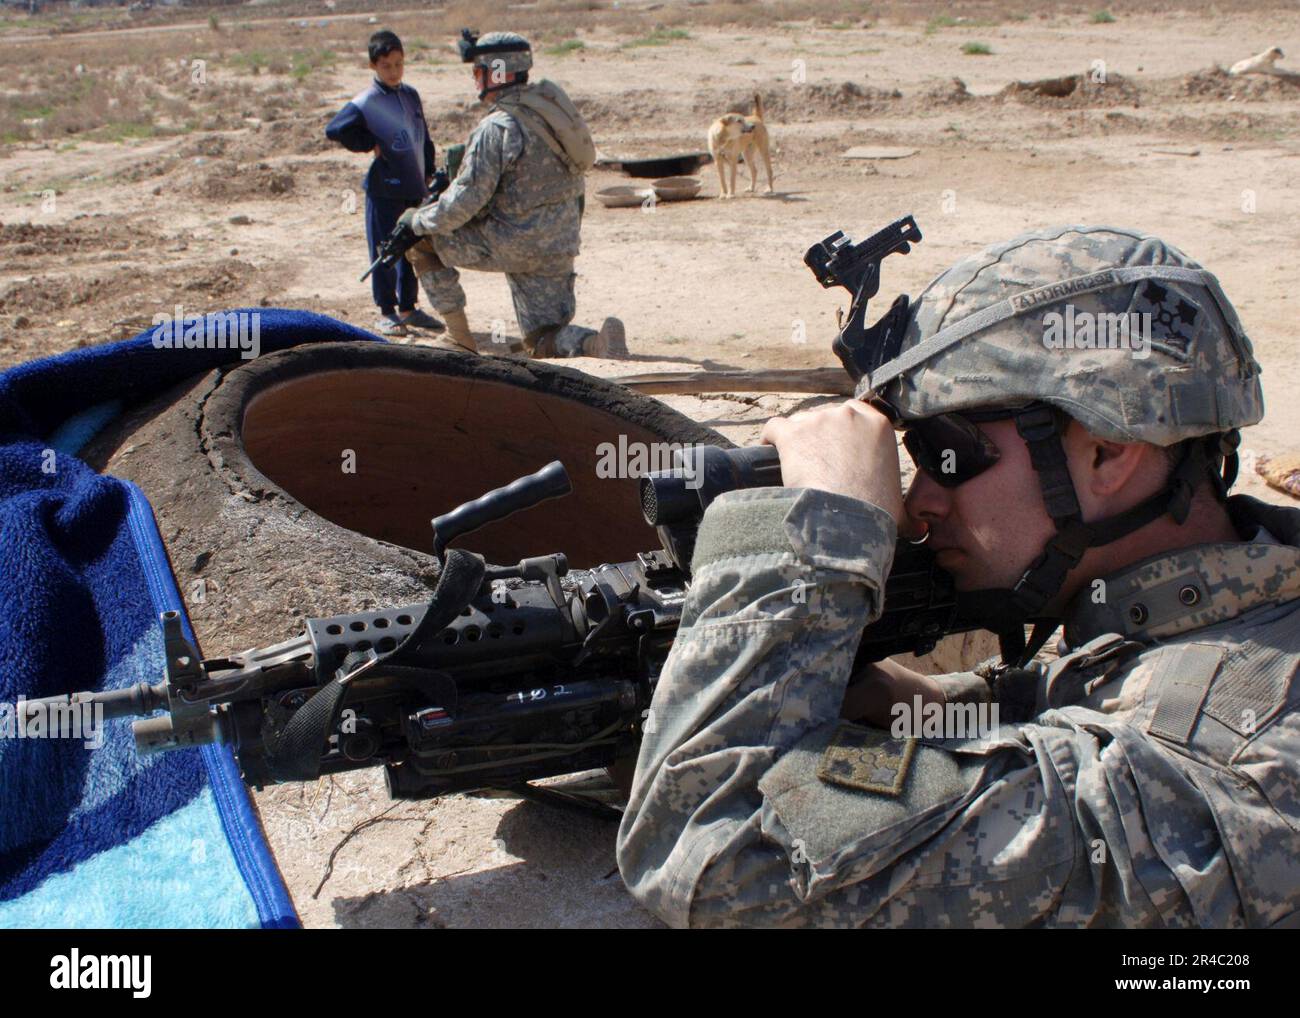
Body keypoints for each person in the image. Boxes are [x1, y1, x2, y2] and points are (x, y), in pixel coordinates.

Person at [616, 224, 1300, 928]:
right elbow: (1108, 698)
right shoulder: (1240, 618)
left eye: (948, 452)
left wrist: (817, 539)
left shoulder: (1215, 772)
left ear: (1106, 454)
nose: (920, 503)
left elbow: (708, 854)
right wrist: (931, 703)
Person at [397, 30, 625, 358]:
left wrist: (417, 221)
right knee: (541, 340)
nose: (475, 80)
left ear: (497, 73)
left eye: (478, 72)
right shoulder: (551, 115)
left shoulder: (497, 127)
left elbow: (464, 204)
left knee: (420, 243)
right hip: (560, 244)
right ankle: (595, 342)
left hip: (513, 242)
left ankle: (458, 337)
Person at [326, 29, 443, 338]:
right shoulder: (366, 101)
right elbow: (335, 129)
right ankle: (387, 312)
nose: (394, 71)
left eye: (399, 64)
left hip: (414, 185)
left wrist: (429, 170)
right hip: (384, 188)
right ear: (373, 67)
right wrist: (370, 144)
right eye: (386, 66)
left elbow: (423, 137)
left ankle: (409, 308)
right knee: (386, 248)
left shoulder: (410, 95)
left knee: (412, 247)